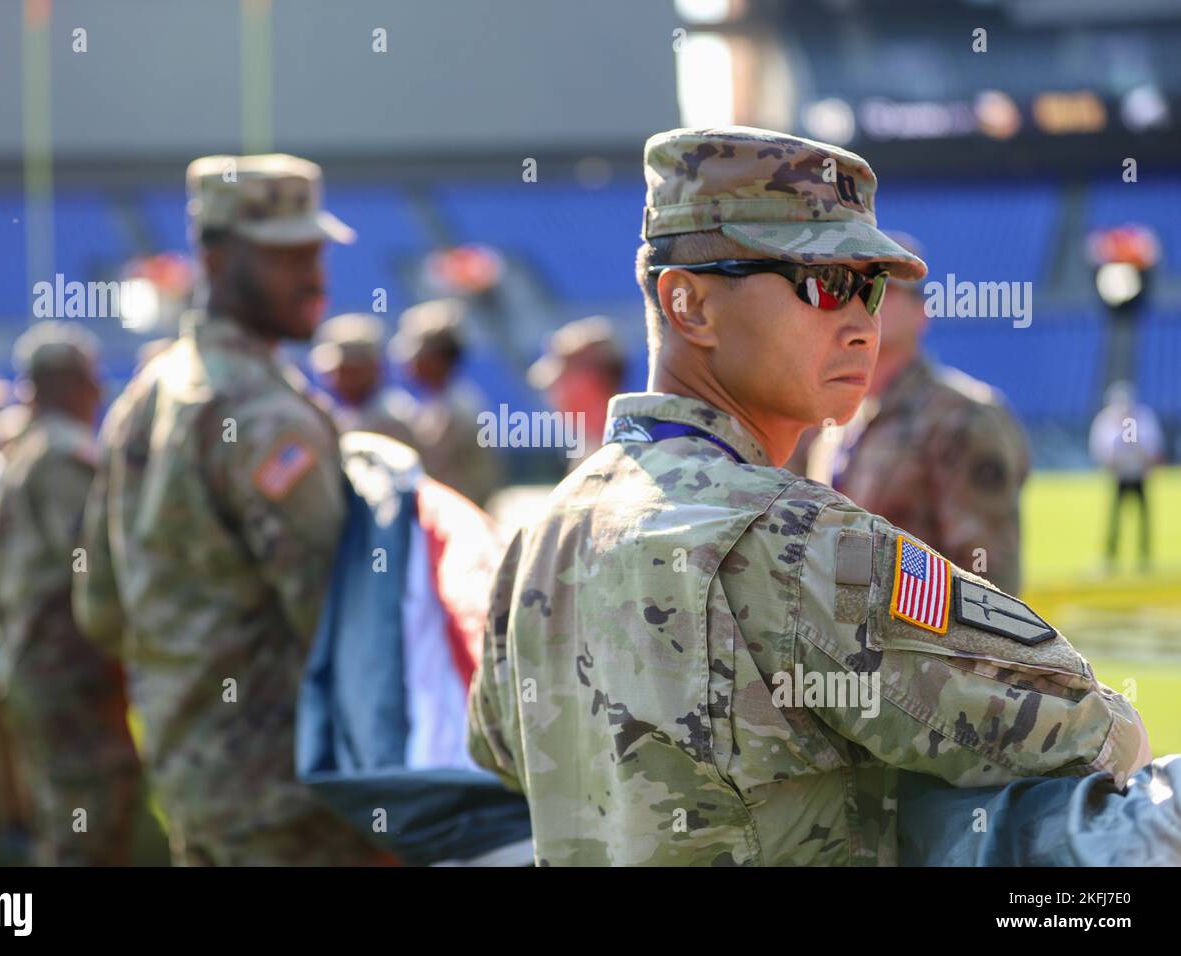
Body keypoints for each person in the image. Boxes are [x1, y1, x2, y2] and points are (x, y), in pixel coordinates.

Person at [466, 126, 1151, 866]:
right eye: (821, 283)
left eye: (871, 286)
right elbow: (1096, 738)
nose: (862, 323)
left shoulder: (543, 535)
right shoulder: (793, 538)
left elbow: (500, 751)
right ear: (689, 304)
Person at [74, 153, 384, 866]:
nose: (314, 275)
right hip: (292, 806)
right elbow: (341, 627)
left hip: (195, 782)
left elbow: (100, 606)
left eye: (315, 250)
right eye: (285, 255)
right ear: (214, 257)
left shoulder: (149, 392)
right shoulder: (264, 414)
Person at [0, 322, 141, 865]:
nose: (99, 391)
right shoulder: (62, 454)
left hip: (37, 659)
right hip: (69, 667)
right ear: (71, 384)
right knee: (88, 818)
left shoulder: (24, 449)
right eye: (91, 379)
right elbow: (92, 561)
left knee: (65, 814)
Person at [800, 233, 1031, 595]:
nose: (865, 303)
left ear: (921, 313)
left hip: (922, 648)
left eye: (883, 289)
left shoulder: (965, 416)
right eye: (848, 288)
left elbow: (990, 587)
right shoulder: (833, 419)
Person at [389, 298, 502, 505]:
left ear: (438, 359)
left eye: (416, 356)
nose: (407, 363)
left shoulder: (456, 411)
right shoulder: (439, 403)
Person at [527, 315, 626, 465]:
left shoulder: (620, 454)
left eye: (560, 383)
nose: (552, 397)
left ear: (587, 381)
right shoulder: (589, 452)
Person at [310, 312, 417, 448]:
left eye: (347, 371)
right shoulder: (342, 415)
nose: (337, 380)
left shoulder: (392, 419)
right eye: (334, 372)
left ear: (371, 369)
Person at [1089, 381, 1164, 571]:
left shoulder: (1144, 418)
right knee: (1114, 518)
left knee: (1143, 518)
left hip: (1140, 475)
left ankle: (1144, 556)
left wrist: (1138, 451)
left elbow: (1153, 448)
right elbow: (1101, 449)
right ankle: (1110, 556)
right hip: (1120, 476)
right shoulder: (1105, 420)